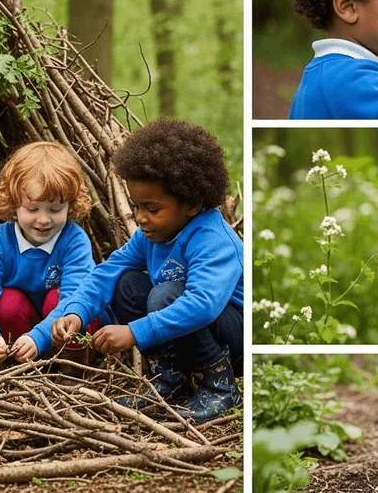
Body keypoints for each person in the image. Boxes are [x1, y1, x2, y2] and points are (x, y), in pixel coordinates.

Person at [50, 118, 243, 424]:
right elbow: (108, 270)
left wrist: (133, 332)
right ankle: (171, 378)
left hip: (233, 340)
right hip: (189, 328)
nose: (139, 217)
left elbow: (203, 305)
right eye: (136, 206)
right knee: (124, 283)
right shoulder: (152, 235)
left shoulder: (213, 241)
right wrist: (76, 312)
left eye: (152, 209)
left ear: (191, 203)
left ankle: (218, 385)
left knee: (165, 295)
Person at [0, 141, 104, 364]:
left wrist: (38, 338)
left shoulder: (74, 240)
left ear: (70, 204)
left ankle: (73, 373)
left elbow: (75, 297)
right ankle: (19, 369)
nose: (43, 219)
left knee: (64, 302)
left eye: (55, 209)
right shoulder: (0, 243)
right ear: (14, 203)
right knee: (8, 302)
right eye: (32, 209)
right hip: (24, 345)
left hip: (63, 342)